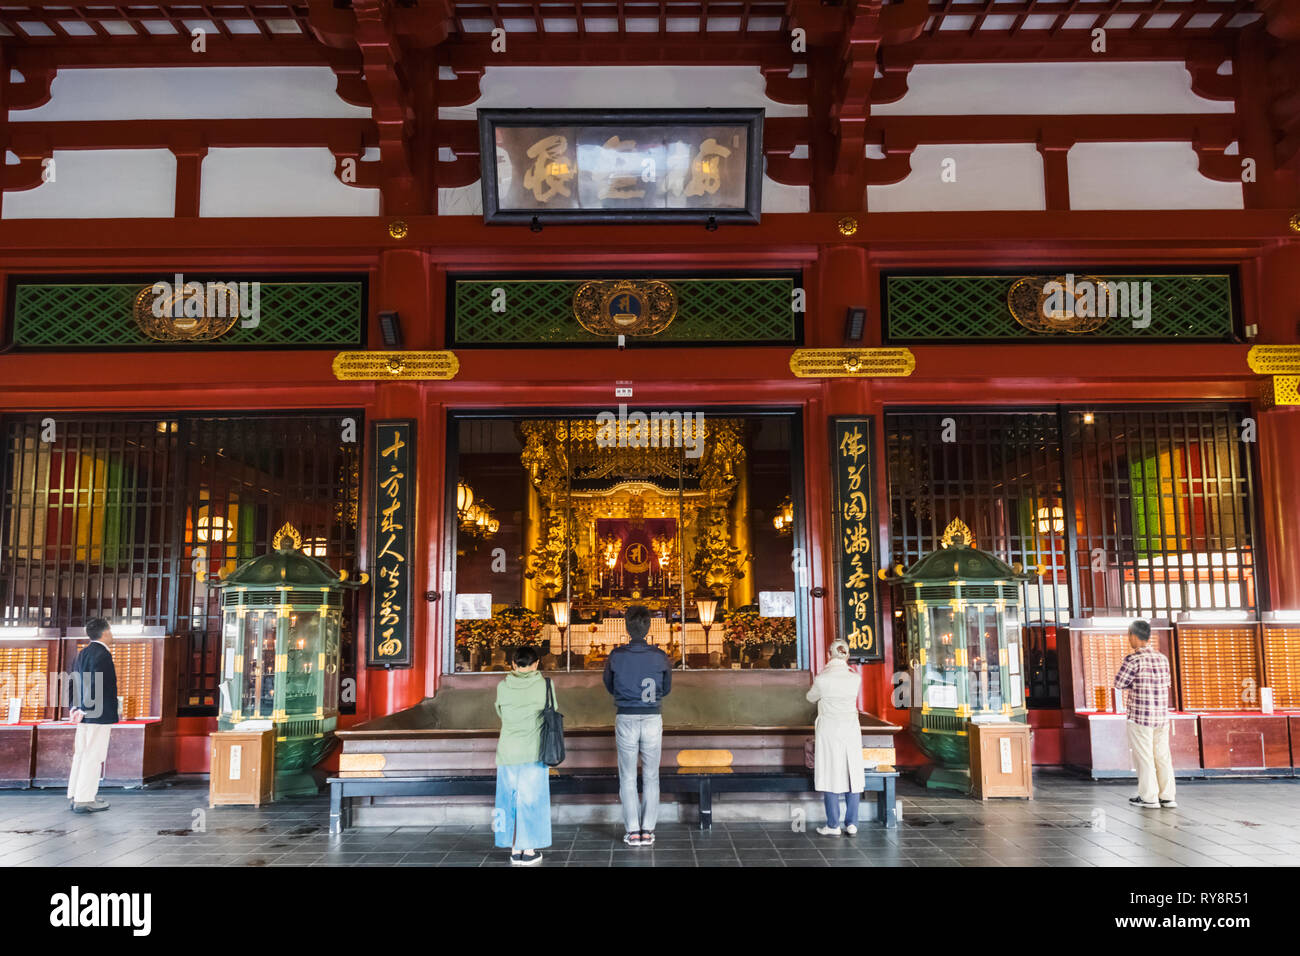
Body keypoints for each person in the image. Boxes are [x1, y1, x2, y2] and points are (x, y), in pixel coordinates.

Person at [603, 604, 671, 847]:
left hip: (626, 717)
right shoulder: (660, 656)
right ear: (649, 626)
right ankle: (648, 830)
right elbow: (667, 687)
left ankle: (633, 830)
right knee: (652, 776)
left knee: (628, 776)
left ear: (626, 626)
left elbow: (609, 684)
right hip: (652, 717)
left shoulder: (616, 656)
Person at [493, 644, 554, 865]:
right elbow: (552, 710)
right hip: (534, 750)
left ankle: (512, 846)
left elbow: (500, 711)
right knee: (532, 799)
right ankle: (528, 850)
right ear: (537, 663)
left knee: (507, 798)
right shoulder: (545, 685)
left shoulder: (502, 686)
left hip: (507, 750)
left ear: (513, 664)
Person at [1114, 619, 1176, 810]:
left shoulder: (1133, 659)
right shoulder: (1162, 659)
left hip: (1140, 717)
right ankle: (1167, 796)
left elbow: (1119, 683)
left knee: (1145, 757)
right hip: (1161, 717)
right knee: (1163, 756)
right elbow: (1167, 684)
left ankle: (1149, 797)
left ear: (1133, 636)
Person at [806, 639, 865, 836]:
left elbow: (810, 697)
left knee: (829, 772)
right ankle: (852, 823)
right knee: (852, 772)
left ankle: (833, 825)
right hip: (850, 729)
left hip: (829, 731)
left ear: (829, 655)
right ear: (847, 655)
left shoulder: (823, 678)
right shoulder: (854, 678)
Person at [67, 618, 119, 814]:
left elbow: (74, 681)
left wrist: (75, 707)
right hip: (98, 713)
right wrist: (85, 708)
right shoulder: (103, 654)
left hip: (84, 713)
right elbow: (97, 684)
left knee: (81, 754)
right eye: (111, 631)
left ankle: (74, 794)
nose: (112, 635)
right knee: (93, 755)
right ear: (105, 633)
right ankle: (85, 798)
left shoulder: (83, 653)